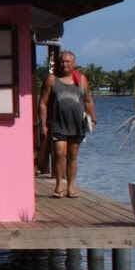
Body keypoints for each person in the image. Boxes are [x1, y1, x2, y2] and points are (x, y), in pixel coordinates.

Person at [38, 49, 96, 197]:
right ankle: (59, 184)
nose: (64, 64)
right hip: (58, 124)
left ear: (73, 63)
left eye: (67, 61)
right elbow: (43, 103)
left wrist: (93, 119)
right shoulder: (52, 80)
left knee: (73, 155)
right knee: (59, 153)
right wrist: (43, 124)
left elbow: (88, 100)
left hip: (77, 124)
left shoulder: (81, 80)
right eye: (62, 61)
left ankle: (71, 187)